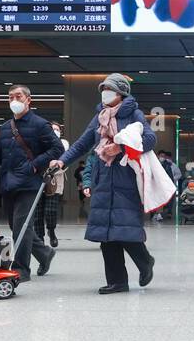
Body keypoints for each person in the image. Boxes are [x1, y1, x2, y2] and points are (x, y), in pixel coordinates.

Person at [53, 73, 157, 294]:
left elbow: (150, 139)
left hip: (126, 179)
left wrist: (119, 147)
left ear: (121, 93)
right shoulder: (100, 117)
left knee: (126, 229)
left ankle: (145, 261)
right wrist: (62, 161)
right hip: (103, 178)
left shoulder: (133, 114)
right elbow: (82, 144)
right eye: (103, 89)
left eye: (109, 89)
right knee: (106, 235)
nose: (104, 93)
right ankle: (117, 281)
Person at [0, 85, 61, 282]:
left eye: (18, 96)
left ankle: (21, 269)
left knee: (21, 226)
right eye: (10, 97)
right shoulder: (5, 127)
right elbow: (0, 156)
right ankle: (44, 253)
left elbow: (57, 148)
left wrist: (35, 165)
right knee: (17, 226)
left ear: (28, 100)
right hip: (8, 183)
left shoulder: (40, 125)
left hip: (29, 183)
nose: (14, 100)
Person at [38, 122, 70, 243]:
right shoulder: (39, 143)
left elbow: (65, 163)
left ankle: (51, 231)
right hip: (38, 179)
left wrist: (53, 168)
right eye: (52, 129)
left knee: (50, 210)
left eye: (57, 129)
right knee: (38, 211)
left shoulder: (63, 144)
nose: (55, 131)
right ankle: (39, 237)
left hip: (54, 181)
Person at [155, 149, 182, 221]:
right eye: (161, 156)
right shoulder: (154, 163)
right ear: (157, 156)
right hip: (157, 184)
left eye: (164, 156)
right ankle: (158, 214)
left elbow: (176, 175)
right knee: (158, 199)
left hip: (167, 185)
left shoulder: (169, 165)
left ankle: (166, 213)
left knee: (168, 200)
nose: (162, 157)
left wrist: (170, 180)